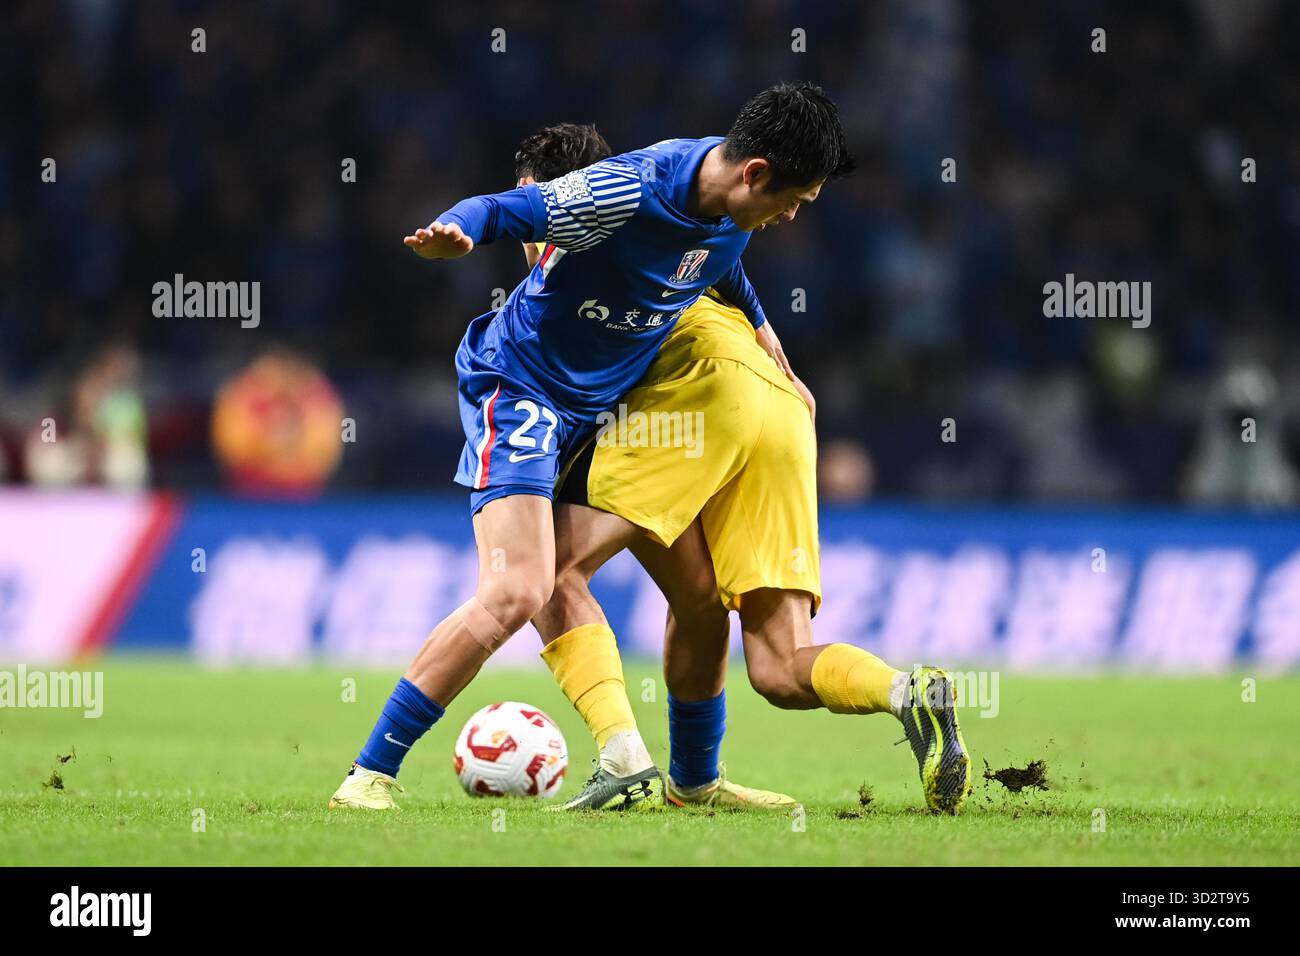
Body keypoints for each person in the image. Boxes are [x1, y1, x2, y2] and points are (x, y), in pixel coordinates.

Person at [329, 82, 852, 811]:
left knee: (702, 599)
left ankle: (693, 783)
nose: (791, 216)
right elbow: (503, 209)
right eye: (793, 200)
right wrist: (455, 230)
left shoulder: (727, 206)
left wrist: (767, 337)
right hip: (526, 395)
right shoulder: (624, 193)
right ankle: (369, 775)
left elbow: (718, 261)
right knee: (519, 588)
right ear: (757, 173)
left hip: (609, 413)